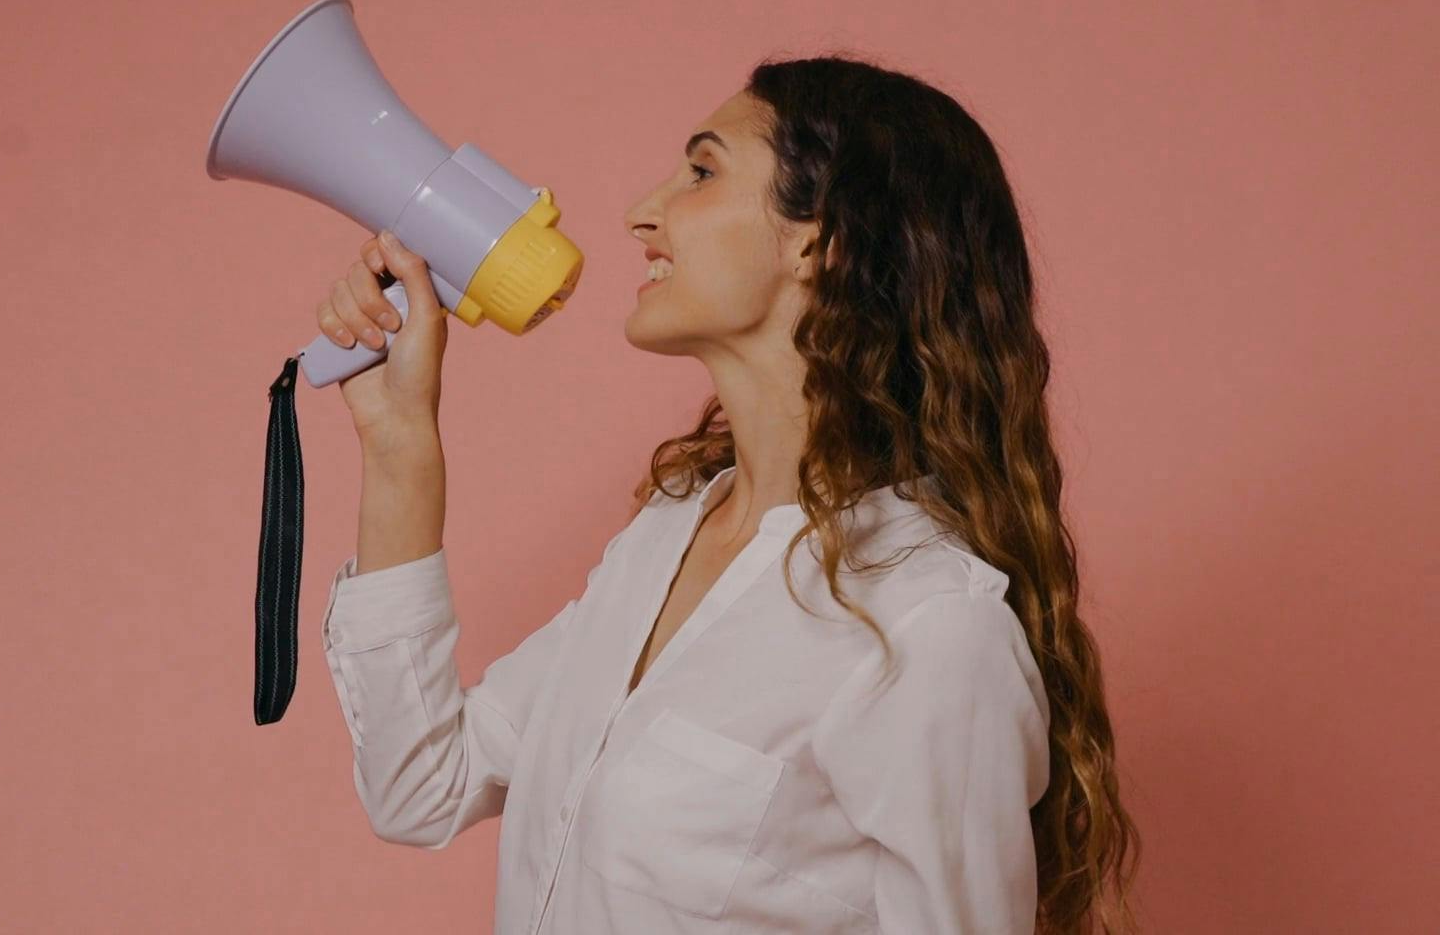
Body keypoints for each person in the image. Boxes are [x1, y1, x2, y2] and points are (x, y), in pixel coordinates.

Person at [311, 55, 1140, 934]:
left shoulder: (927, 624)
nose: (642, 211)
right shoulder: (666, 536)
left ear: (820, 241)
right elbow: (421, 788)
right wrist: (399, 441)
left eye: (702, 171)